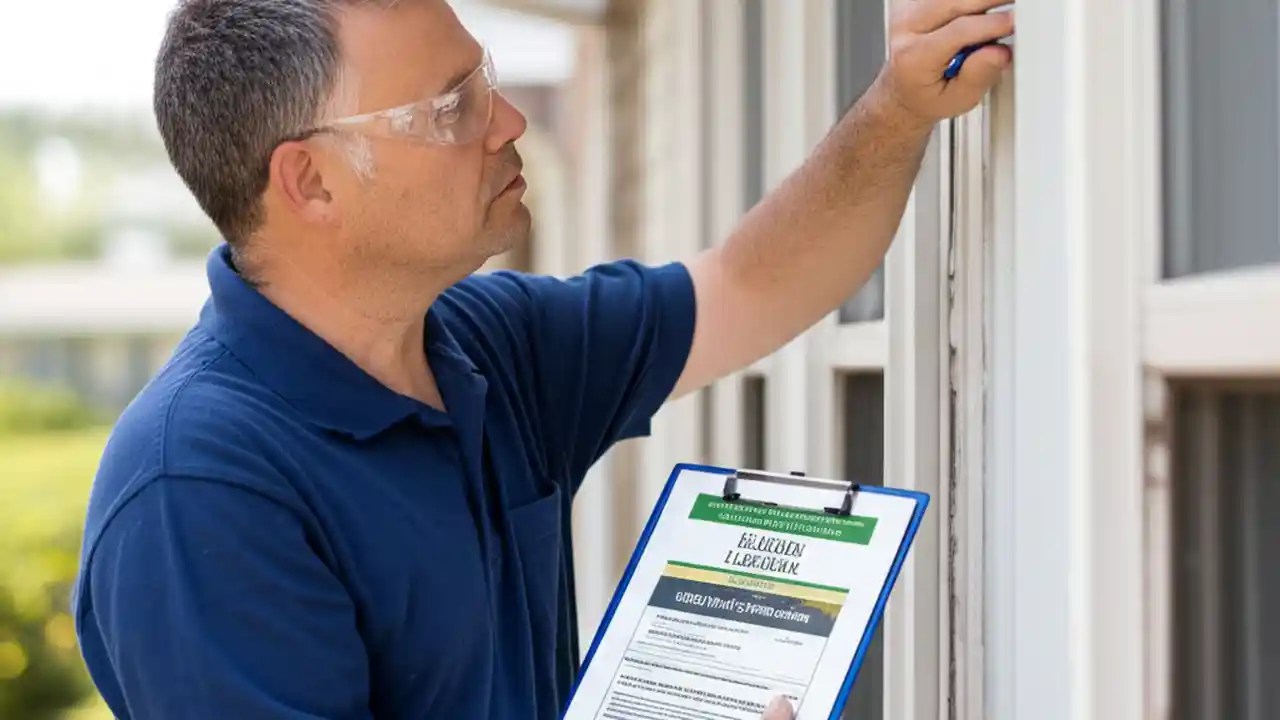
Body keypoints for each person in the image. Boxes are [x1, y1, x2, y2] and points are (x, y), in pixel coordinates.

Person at [71, 0, 1012, 718]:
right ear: (309, 181)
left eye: (483, 80)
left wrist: (897, 107)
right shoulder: (198, 490)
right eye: (450, 108)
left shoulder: (492, 348)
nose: (507, 120)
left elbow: (752, 285)